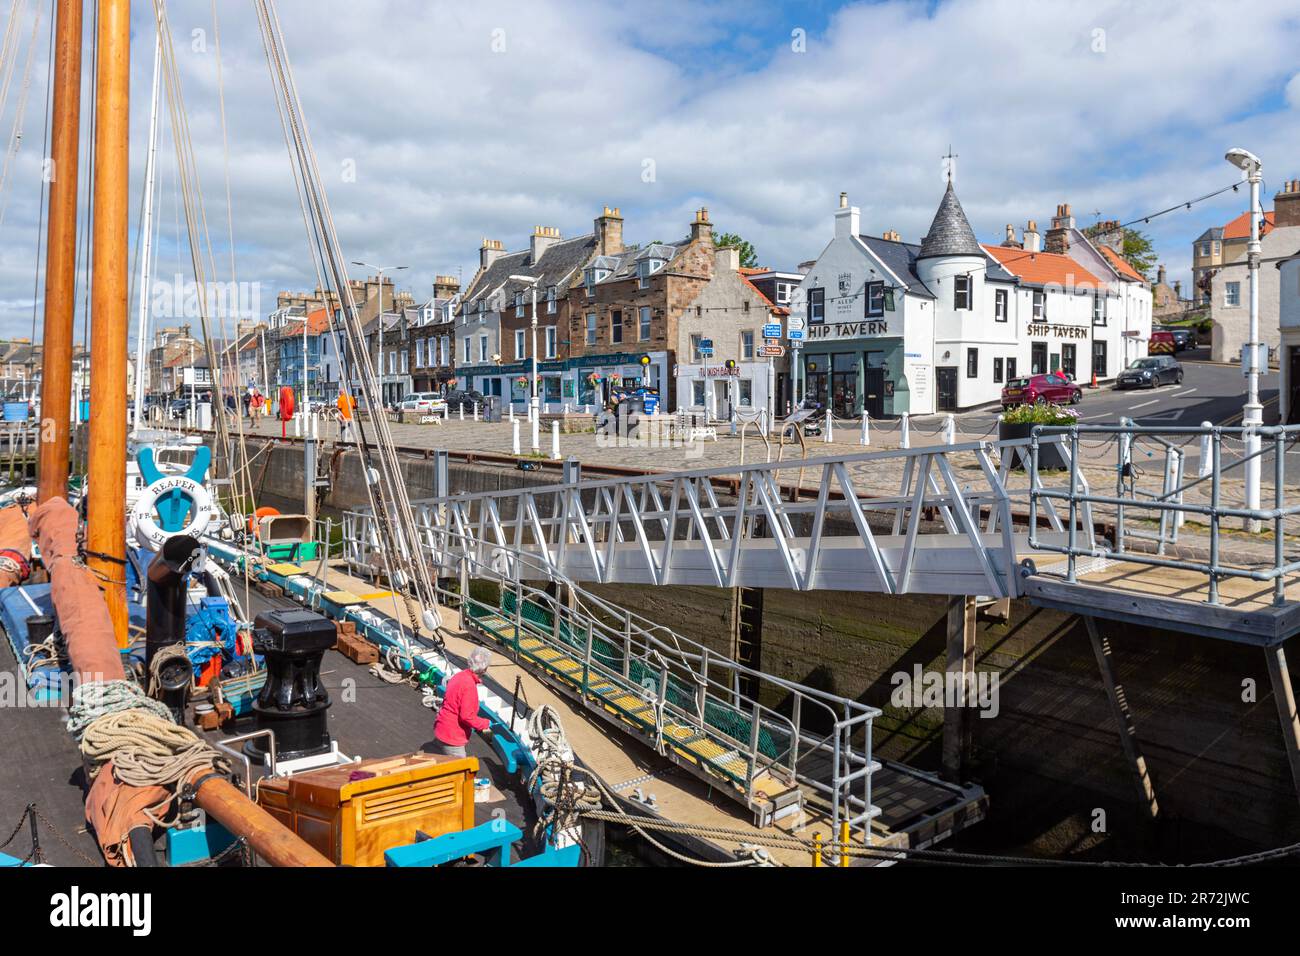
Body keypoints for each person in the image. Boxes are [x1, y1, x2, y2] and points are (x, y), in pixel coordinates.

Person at [432, 647, 493, 757]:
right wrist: (485, 723)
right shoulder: (469, 686)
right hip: (452, 737)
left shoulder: (459, 676)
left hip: (441, 727)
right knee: (461, 771)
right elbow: (467, 717)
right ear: (484, 669)